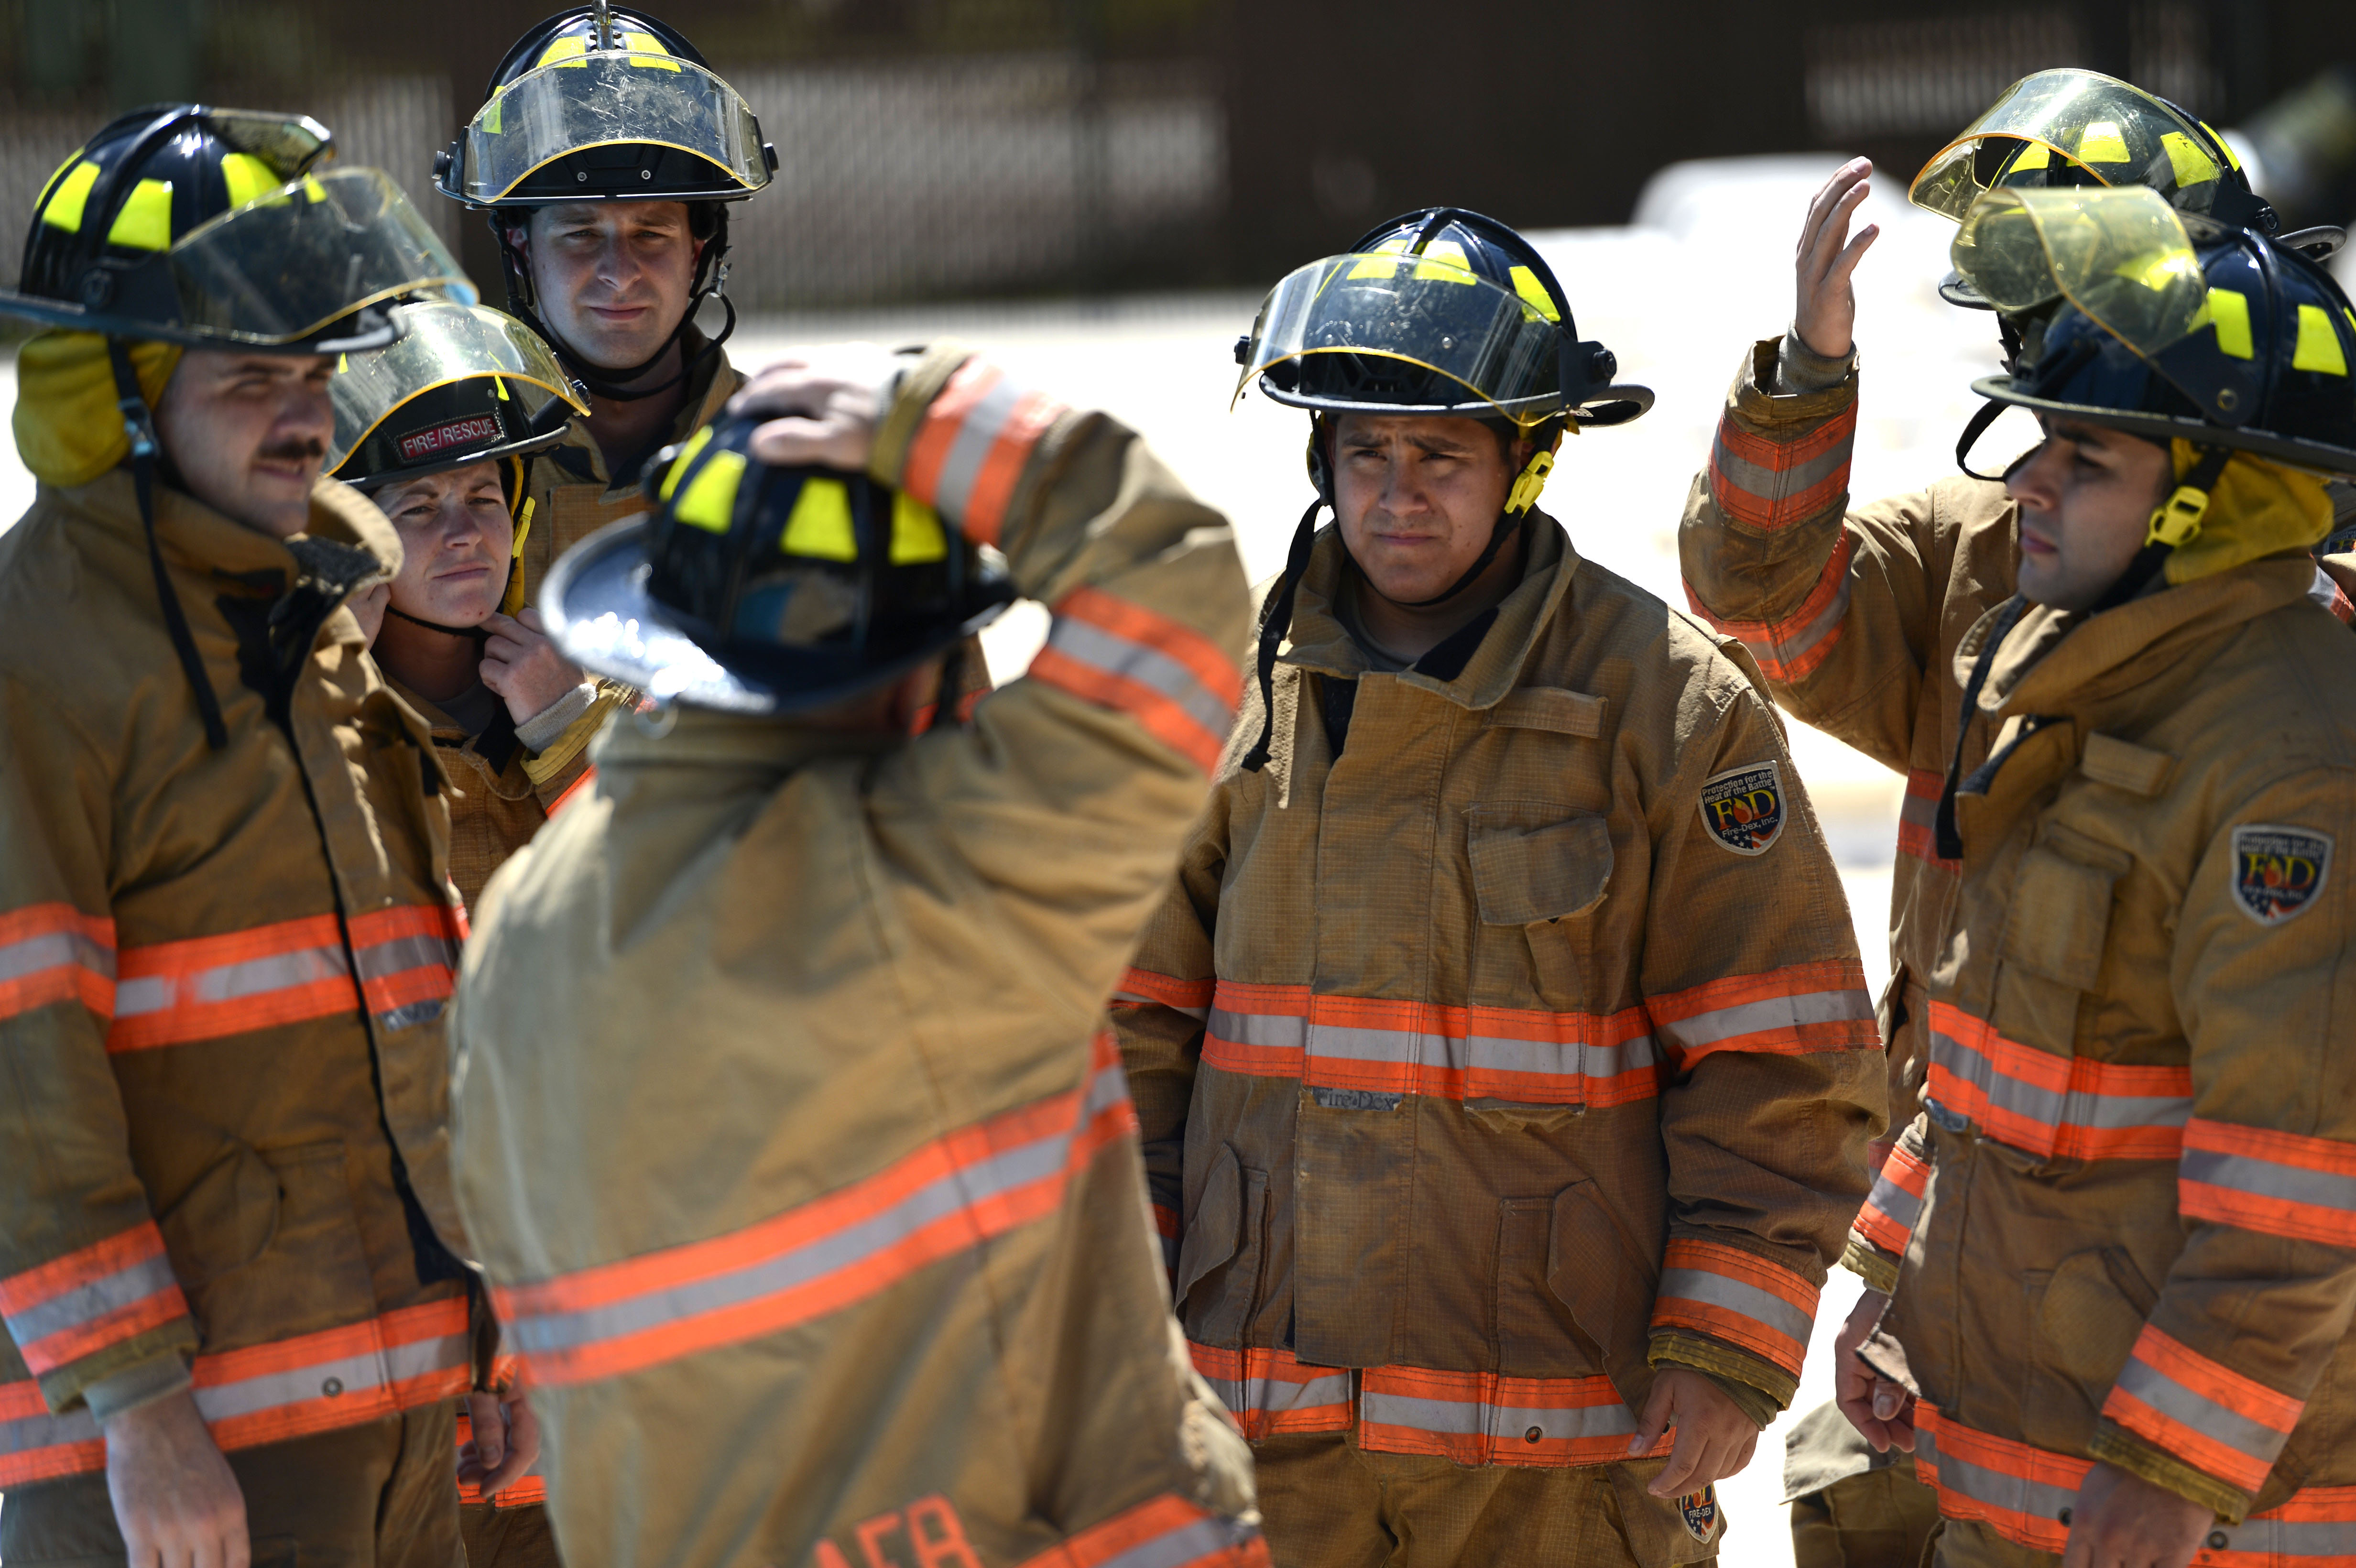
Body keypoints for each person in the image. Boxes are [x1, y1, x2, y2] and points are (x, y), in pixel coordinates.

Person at [1112, 207, 1886, 1568]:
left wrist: (1723, 1347)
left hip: (1559, 1464)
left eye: (1440, 456)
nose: (1398, 494)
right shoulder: (1232, 701)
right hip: (1266, 1448)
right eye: (1366, 452)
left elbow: (1786, 1063)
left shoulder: (1666, 706)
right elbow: (1129, 1046)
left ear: (1527, 464)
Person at [443, 340, 1267, 1568]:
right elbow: (1172, 593)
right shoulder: (950, 861)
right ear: (908, 672)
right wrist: (931, 419)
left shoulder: (525, 922)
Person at [1673, 75, 2344, 1561]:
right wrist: (1804, 370)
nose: (2048, 343)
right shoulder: (2005, 547)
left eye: (2087, 273)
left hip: (2176, 1391)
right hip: (1975, 1261)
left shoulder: (2281, 676)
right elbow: (1758, 600)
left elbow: (2292, 1162)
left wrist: (2174, 1456)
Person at [0, 106, 531, 1566]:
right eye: (250, 380)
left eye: (313, 372)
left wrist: (482, 1325)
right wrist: (139, 1410)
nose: (307, 416)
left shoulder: (296, 630)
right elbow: (18, 1076)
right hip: (186, 1463)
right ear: (112, 396)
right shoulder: (37, 660)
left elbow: (407, 1006)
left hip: (393, 1407)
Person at [435, 6, 773, 606]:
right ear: (521, 248)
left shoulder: (786, 454)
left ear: (700, 250)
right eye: (580, 234)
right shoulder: (442, 472)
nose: (619, 276)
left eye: (651, 233)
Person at [328, 296, 621, 912]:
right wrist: (325, 688)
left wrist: (569, 730)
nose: (464, 532)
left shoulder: (596, 697)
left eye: (484, 498)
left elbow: (678, 891)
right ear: (352, 542)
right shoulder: (310, 713)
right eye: (419, 506)